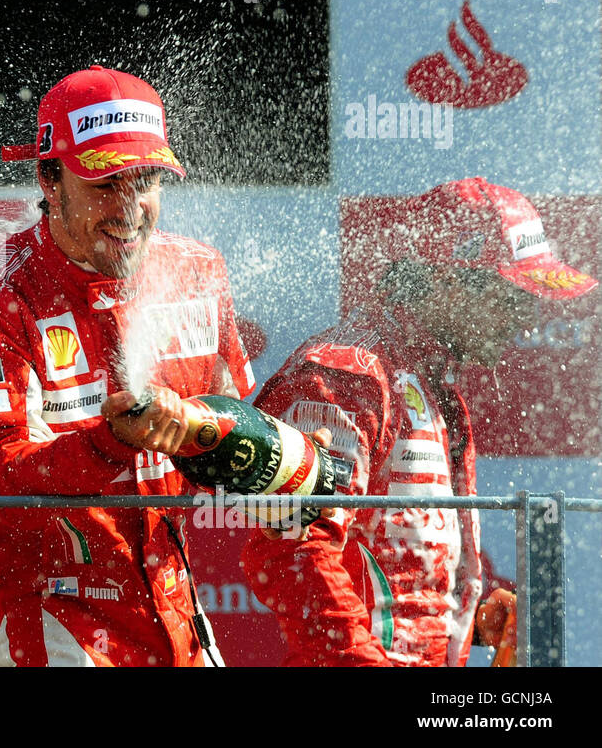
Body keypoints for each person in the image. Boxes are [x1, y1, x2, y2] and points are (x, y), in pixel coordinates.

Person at [0, 66, 256, 666]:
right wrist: (113, 443)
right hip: (53, 623)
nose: (130, 208)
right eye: (104, 184)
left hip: (179, 619)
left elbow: (233, 437)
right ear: (48, 178)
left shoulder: (197, 273)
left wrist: (277, 451)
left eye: (146, 180)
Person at [242, 177, 595, 666]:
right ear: (446, 279)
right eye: (512, 297)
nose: (524, 319)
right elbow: (293, 554)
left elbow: (390, 568)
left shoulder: (428, 381)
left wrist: (466, 616)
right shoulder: (348, 375)